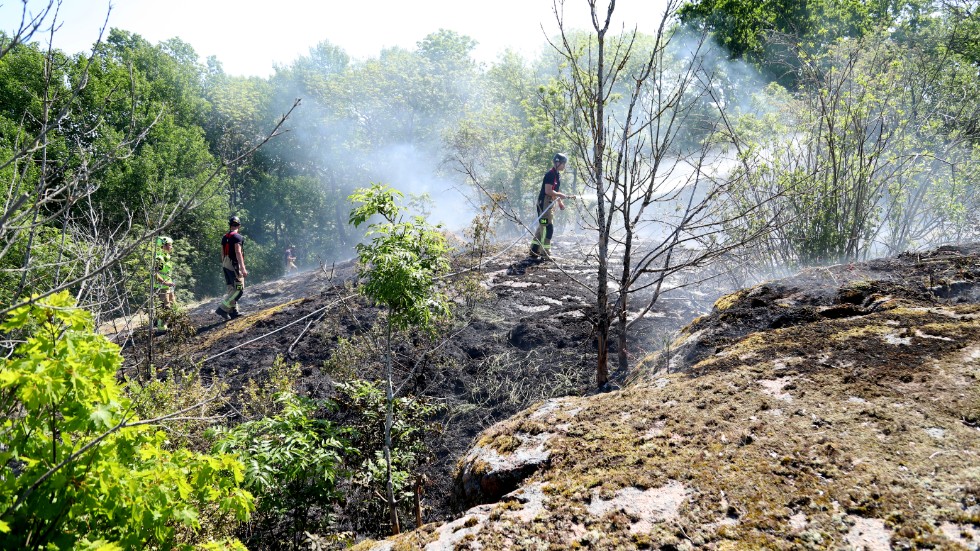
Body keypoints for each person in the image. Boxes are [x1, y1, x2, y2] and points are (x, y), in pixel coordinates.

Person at [530, 153, 575, 258]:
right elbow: (548, 191)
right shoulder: (550, 174)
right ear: (557, 163)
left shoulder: (557, 175)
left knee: (543, 225)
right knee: (547, 227)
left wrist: (560, 202)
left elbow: (556, 190)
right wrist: (559, 195)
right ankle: (545, 252)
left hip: (549, 203)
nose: (564, 166)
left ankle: (534, 249)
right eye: (563, 164)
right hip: (544, 203)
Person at [216, 216, 247, 320]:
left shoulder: (224, 237)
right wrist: (242, 268)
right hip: (234, 264)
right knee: (239, 289)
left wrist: (224, 264)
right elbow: (238, 252)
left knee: (231, 288)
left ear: (230, 225)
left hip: (225, 264)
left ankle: (233, 311)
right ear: (239, 226)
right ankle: (223, 308)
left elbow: (221, 253)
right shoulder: (238, 237)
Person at [153, 236, 176, 330]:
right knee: (165, 307)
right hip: (161, 287)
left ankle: (169, 324)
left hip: (168, 286)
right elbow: (155, 273)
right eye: (169, 245)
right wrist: (164, 283)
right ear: (163, 246)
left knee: (173, 305)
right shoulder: (159, 258)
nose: (171, 247)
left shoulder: (167, 256)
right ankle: (161, 327)